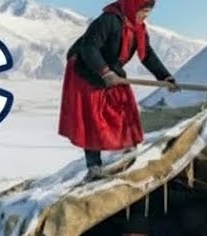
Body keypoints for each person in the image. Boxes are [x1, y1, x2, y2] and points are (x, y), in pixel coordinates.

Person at [59, 0, 179, 173]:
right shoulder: (109, 20)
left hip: (110, 67)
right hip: (86, 67)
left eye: (148, 11)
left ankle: (129, 152)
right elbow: (89, 47)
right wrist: (105, 72)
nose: (146, 15)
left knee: (124, 104)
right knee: (93, 116)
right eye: (143, 10)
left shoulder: (138, 29)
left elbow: (147, 55)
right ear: (132, 6)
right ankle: (94, 166)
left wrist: (165, 76)